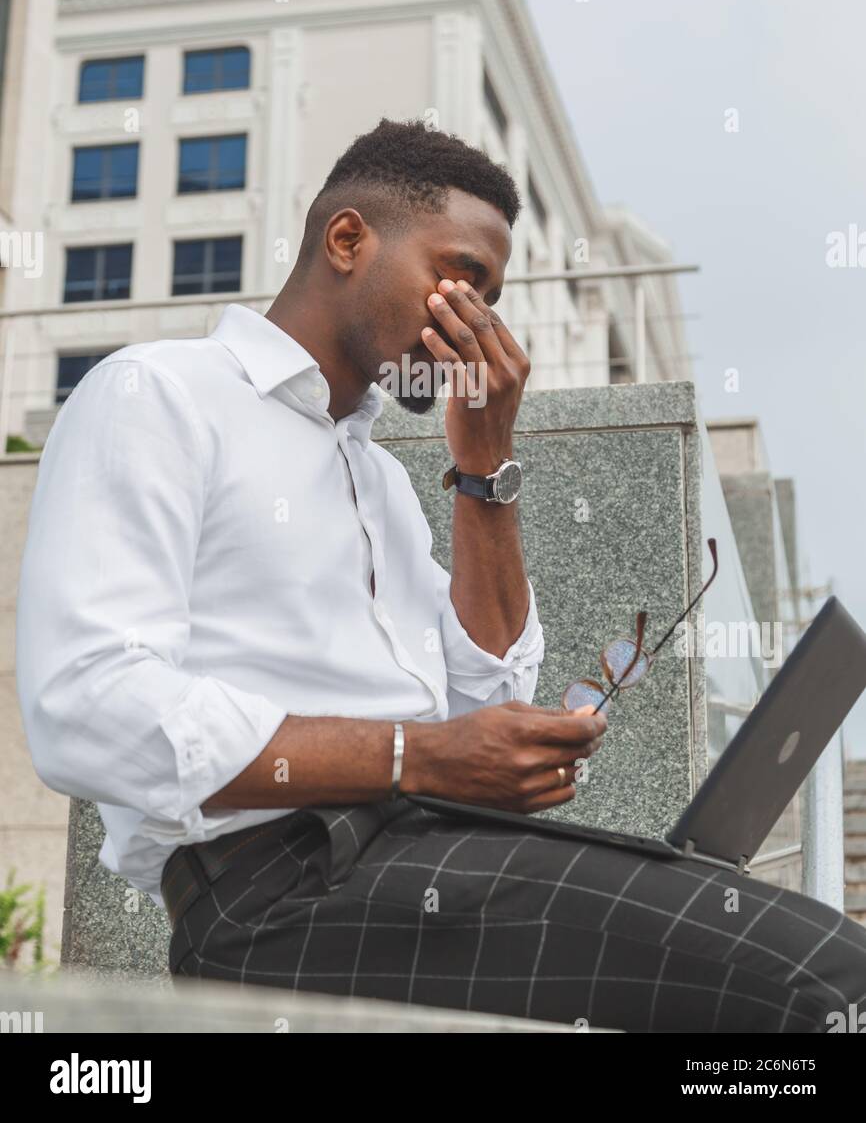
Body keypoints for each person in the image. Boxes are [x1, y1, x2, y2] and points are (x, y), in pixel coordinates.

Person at [16, 118, 866, 1032]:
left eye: (493, 295)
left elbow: (482, 695)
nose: (477, 319)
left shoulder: (377, 476)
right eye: (459, 274)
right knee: (827, 977)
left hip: (428, 857)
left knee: (756, 972)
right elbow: (87, 708)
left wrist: (485, 468)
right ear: (348, 240)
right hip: (283, 893)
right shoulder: (160, 393)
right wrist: (417, 756)